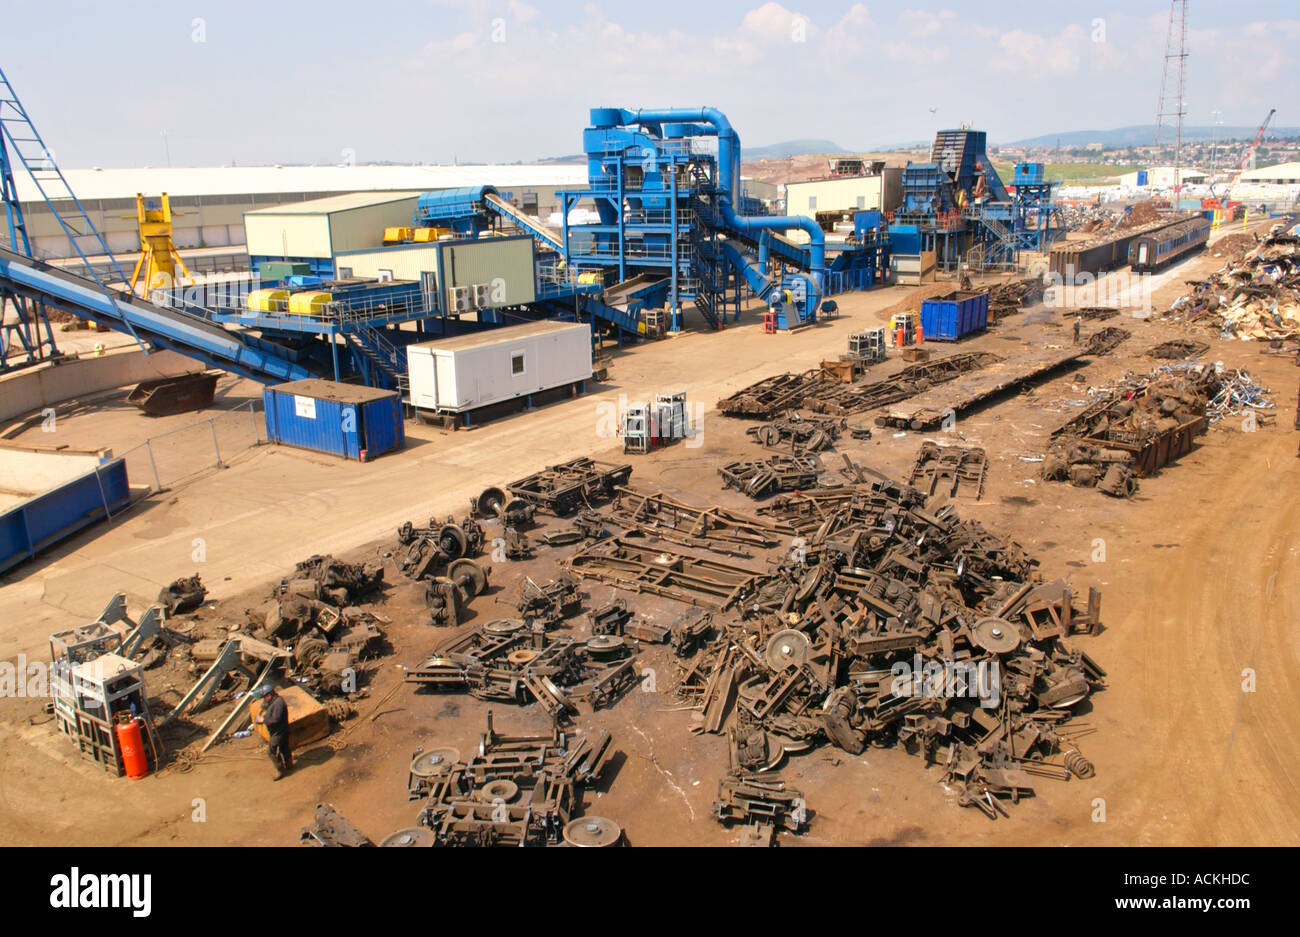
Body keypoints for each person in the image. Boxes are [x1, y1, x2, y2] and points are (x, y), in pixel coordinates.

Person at [252, 685, 293, 779]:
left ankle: (280, 771)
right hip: (281, 729)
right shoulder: (273, 701)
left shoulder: (278, 703)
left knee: (270, 751)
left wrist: (263, 720)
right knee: (284, 747)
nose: (264, 699)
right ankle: (289, 764)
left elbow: (275, 719)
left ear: (269, 695)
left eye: (265, 697)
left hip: (279, 732)